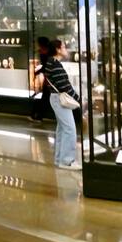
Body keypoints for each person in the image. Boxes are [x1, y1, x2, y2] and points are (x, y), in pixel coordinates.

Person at [36, 40, 81, 168]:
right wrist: (78, 98)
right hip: (60, 99)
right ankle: (67, 161)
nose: (65, 49)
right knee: (69, 129)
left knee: (62, 129)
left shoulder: (51, 62)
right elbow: (64, 86)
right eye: (63, 47)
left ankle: (60, 159)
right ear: (58, 49)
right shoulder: (54, 64)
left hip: (56, 98)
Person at [29, 35, 53, 123]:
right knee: (45, 97)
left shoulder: (44, 53)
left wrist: (38, 71)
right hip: (49, 79)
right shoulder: (46, 52)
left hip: (49, 79)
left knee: (45, 97)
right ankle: (38, 115)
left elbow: (46, 66)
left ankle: (37, 115)